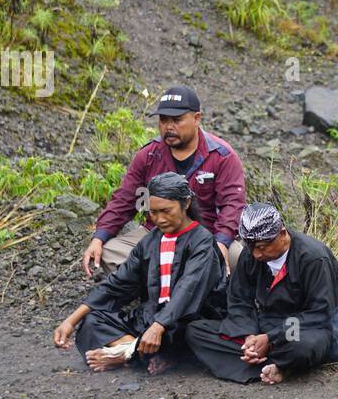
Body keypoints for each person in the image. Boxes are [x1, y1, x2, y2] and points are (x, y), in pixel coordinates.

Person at [53, 172, 227, 375]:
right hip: (153, 317)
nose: (159, 219)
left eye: (166, 211)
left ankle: (126, 353)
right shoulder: (150, 241)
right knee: (92, 321)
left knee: (190, 334)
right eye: (153, 213)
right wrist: (71, 321)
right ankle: (134, 351)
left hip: (187, 318)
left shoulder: (202, 241)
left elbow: (188, 289)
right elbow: (117, 283)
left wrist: (159, 325)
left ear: (186, 203)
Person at [81, 86, 246, 277]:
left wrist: (222, 243)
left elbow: (233, 205)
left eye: (177, 120)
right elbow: (125, 199)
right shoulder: (149, 155)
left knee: (241, 261)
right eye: (163, 120)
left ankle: (177, 280)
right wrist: (99, 237)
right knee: (108, 253)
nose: (168, 127)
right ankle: (167, 282)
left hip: (206, 235)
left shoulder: (221, 156)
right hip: (157, 234)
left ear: (196, 118)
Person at [184, 203, 338, 385]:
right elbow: (239, 300)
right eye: (250, 247)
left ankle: (283, 364)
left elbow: (320, 313)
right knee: (196, 331)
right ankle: (274, 365)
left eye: (262, 247)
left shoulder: (314, 258)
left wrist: (271, 339)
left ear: (282, 234)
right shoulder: (251, 254)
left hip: (302, 329)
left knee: (302, 347)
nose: (256, 254)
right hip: (264, 327)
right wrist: (249, 337)